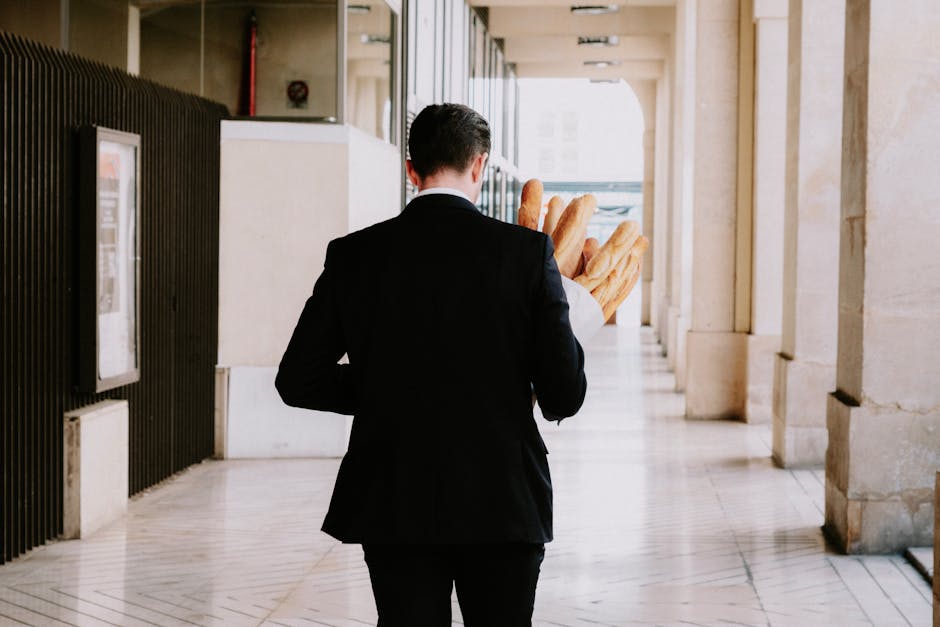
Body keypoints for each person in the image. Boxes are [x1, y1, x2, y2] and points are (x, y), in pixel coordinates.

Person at [275, 103, 587, 626]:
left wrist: (385, 386)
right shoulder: (528, 253)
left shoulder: (354, 255)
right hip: (502, 500)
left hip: (395, 498)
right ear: (479, 166)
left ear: (411, 169)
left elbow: (297, 379)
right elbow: (564, 395)